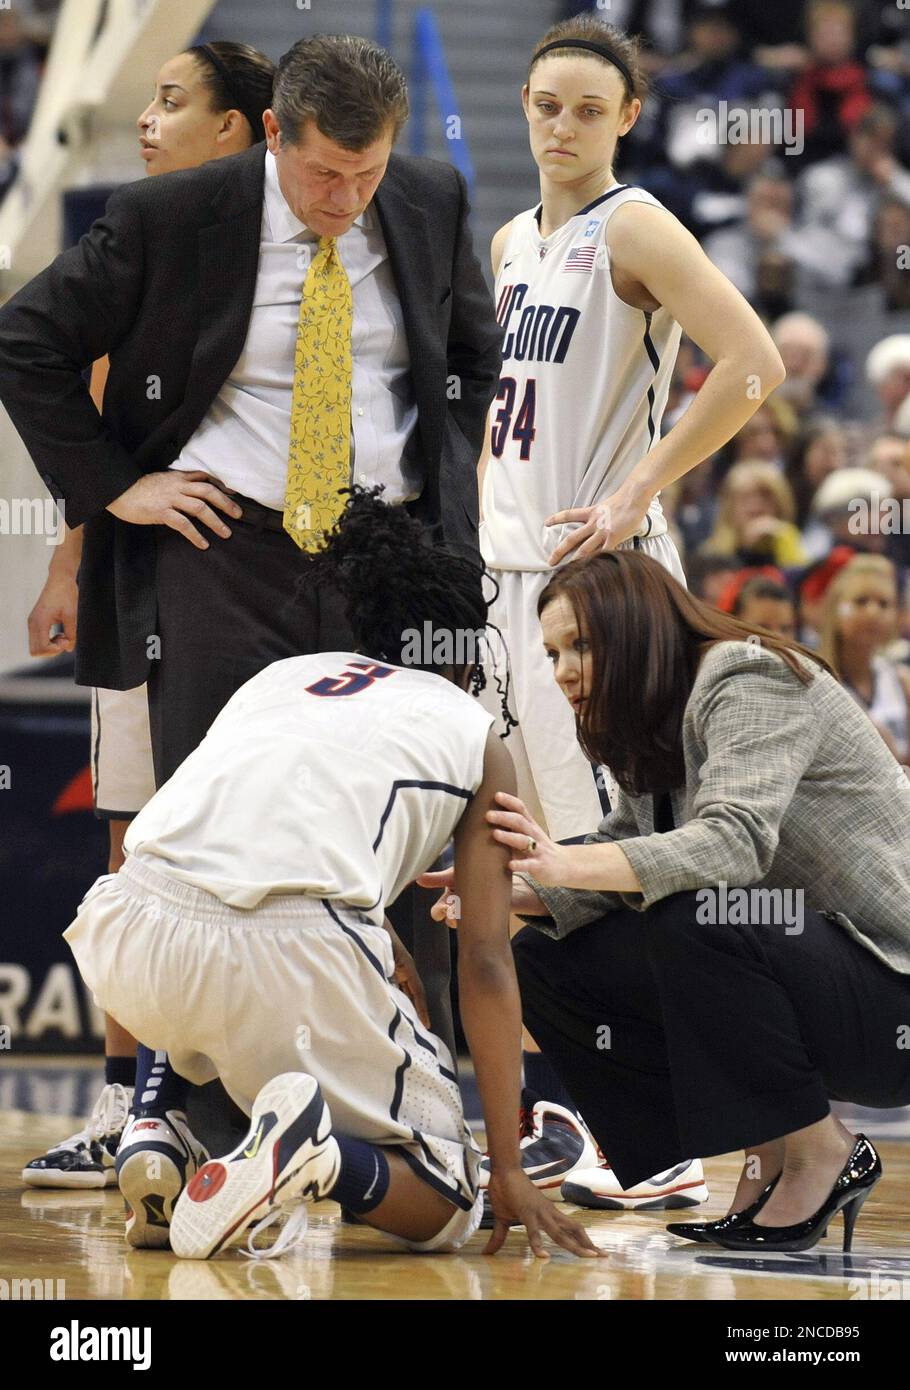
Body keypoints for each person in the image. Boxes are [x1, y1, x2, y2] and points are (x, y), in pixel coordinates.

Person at [0, 33, 502, 1110]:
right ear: (272, 132)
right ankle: (191, 1108)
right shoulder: (169, 218)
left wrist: (434, 489)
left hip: (386, 552)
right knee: (214, 819)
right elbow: (24, 339)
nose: (344, 197)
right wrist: (113, 486)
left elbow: (471, 359)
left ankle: (405, 1106)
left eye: (365, 176)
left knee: (393, 821)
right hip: (224, 547)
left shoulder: (429, 201)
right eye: (325, 172)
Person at [63, 488, 598, 1264]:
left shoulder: (286, 676)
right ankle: (316, 1152)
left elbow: (259, 825)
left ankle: (160, 1126)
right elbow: (484, 960)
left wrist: (383, 950)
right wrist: (507, 1169)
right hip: (284, 949)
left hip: (130, 924)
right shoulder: (477, 736)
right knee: (450, 1196)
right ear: (462, 649)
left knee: (215, 1015)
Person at [475, 11, 786, 1211]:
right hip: (501, 584)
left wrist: (636, 488)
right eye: (546, 105)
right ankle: (610, 1122)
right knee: (537, 866)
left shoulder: (635, 223)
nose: (561, 125)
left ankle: (665, 1126)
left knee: (611, 855)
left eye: (587, 109)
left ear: (627, 119)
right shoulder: (510, 240)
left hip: (599, 590)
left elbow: (749, 358)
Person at [473, 549, 909, 1252]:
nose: (561, 671)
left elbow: (733, 844)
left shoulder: (748, 675)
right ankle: (737, 1148)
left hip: (890, 988)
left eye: (581, 644)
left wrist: (559, 858)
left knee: (698, 913)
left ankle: (821, 1151)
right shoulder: (655, 716)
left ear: (637, 627)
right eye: (552, 652)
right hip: (808, 980)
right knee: (544, 958)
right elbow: (623, 856)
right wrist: (505, 894)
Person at [21, 40, 276, 1192]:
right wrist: (76, 549)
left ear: (238, 129)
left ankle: (295, 1103)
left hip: (265, 595)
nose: (146, 119)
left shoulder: (312, 251)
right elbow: (91, 410)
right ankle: (133, 1109)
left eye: (175, 104)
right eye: (151, 99)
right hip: (142, 578)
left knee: (267, 861)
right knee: (131, 844)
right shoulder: (137, 240)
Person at [817, 553, 910, 762]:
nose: (873, 612)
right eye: (861, 601)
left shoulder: (902, 681)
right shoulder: (818, 681)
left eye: (884, 604)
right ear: (835, 610)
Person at [700, 460, 807, 569]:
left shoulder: (789, 540)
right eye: (746, 497)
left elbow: (799, 581)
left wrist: (784, 540)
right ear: (730, 506)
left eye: (765, 496)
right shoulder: (711, 555)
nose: (755, 506)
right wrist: (746, 549)